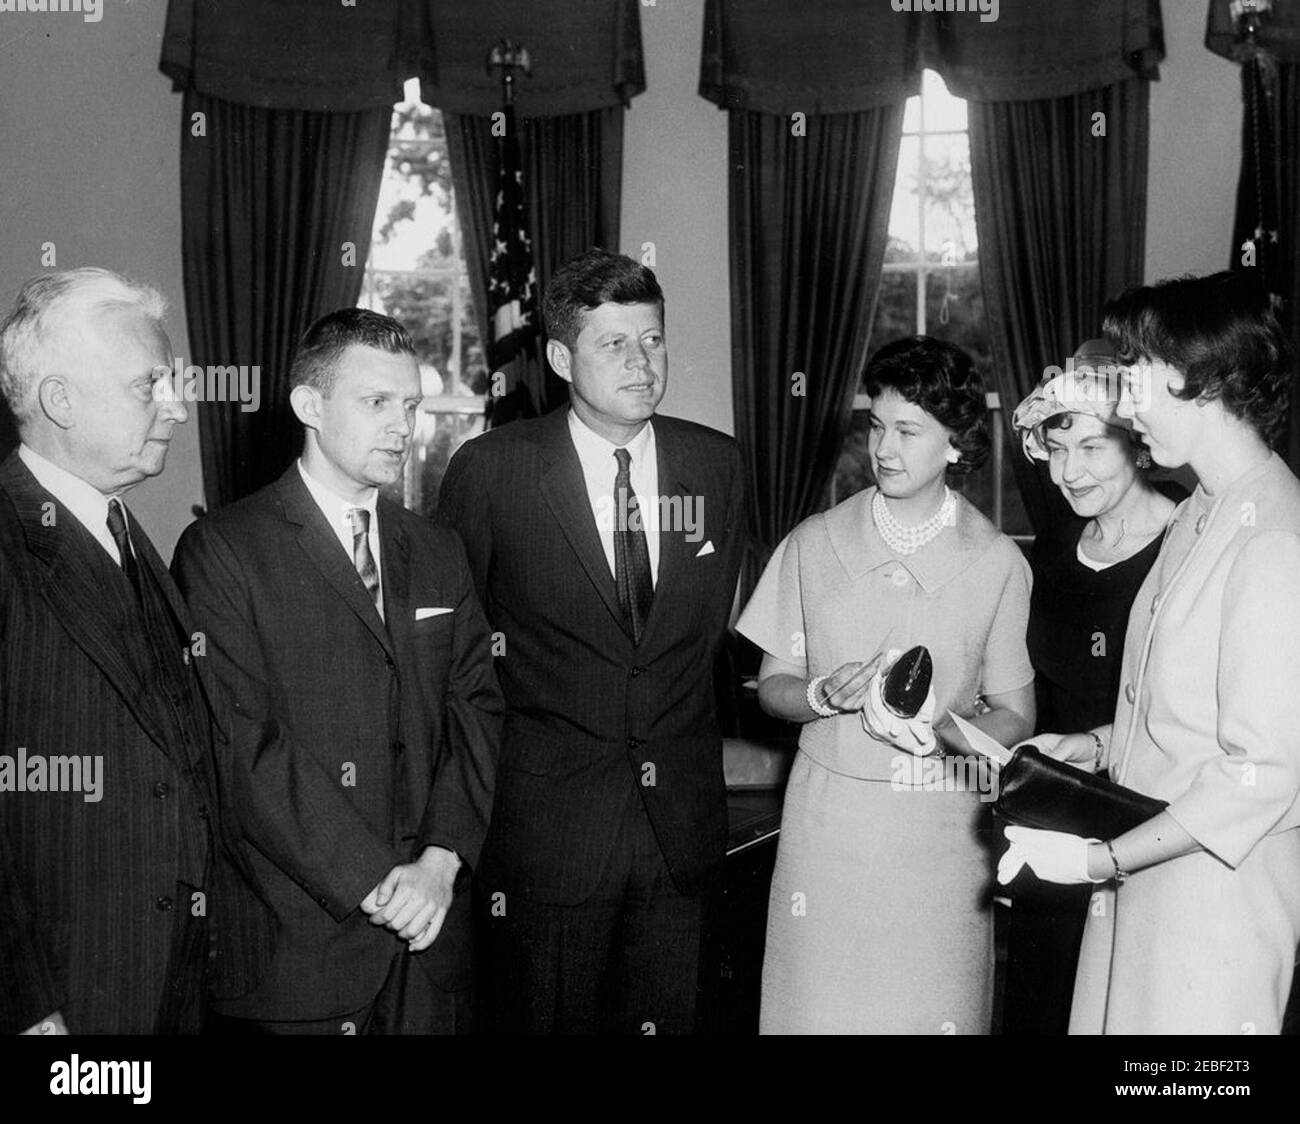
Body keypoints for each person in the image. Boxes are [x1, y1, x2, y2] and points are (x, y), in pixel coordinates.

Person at [437, 247, 746, 1034]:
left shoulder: (718, 466)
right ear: (559, 356)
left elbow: (711, 633)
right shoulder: (491, 471)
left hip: (682, 834)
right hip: (544, 838)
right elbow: (454, 660)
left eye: (653, 339)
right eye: (614, 344)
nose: (642, 363)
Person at [172, 308, 502, 1034]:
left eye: (410, 405)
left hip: (432, 945)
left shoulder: (438, 549)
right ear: (309, 405)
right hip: (297, 952)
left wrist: (440, 864)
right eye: (377, 401)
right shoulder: (222, 551)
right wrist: (381, 882)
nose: (402, 426)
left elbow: (477, 710)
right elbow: (243, 748)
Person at [998, 271, 1300, 1035]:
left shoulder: (1274, 539)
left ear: (1195, 378)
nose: (1125, 400)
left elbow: (1260, 774)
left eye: (1133, 376)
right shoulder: (1203, 510)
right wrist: (1095, 745)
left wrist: (1098, 862)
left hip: (1213, 906)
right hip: (1150, 883)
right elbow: (1184, 718)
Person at [737, 336, 1035, 1034]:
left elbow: (1016, 716)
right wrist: (820, 695)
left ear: (957, 444)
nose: (883, 447)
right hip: (827, 832)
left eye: (907, 430)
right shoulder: (813, 543)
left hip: (941, 836)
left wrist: (941, 734)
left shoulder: (995, 563)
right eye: (876, 425)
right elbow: (771, 685)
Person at [0, 268, 224, 1033]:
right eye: (150, 385)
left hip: (169, 980)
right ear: (60, 400)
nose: (180, 407)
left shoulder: (130, 536)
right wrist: (25, 1004)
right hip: (65, 995)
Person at [1001, 339, 1179, 1035]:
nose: (1069, 472)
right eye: (1058, 448)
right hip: (1053, 834)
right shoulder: (1049, 553)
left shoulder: (1186, 547)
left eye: (1093, 448)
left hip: (1151, 834)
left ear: (1138, 446)